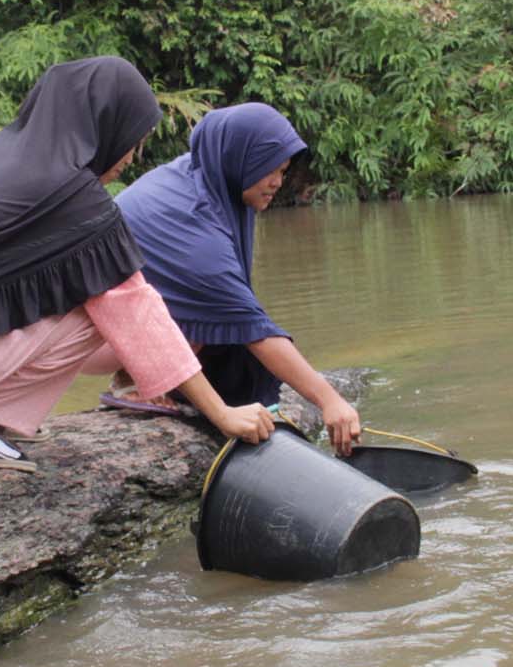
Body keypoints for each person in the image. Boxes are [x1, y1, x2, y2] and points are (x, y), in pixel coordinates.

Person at [0, 56, 276, 472]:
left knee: (96, 293)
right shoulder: (73, 195)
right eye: (131, 141)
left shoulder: (7, 159)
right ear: (104, 126)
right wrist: (222, 413)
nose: (129, 158)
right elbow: (136, 311)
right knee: (103, 301)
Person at [112, 103, 364, 455]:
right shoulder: (194, 228)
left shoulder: (207, 177)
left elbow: (238, 312)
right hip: (99, 333)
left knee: (238, 342)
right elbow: (251, 328)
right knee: (241, 330)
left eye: (283, 171)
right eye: (268, 171)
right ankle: (136, 380)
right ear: (239, 161)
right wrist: (330, 401)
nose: (278, 182)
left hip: (137, 318)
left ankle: (160, 379)